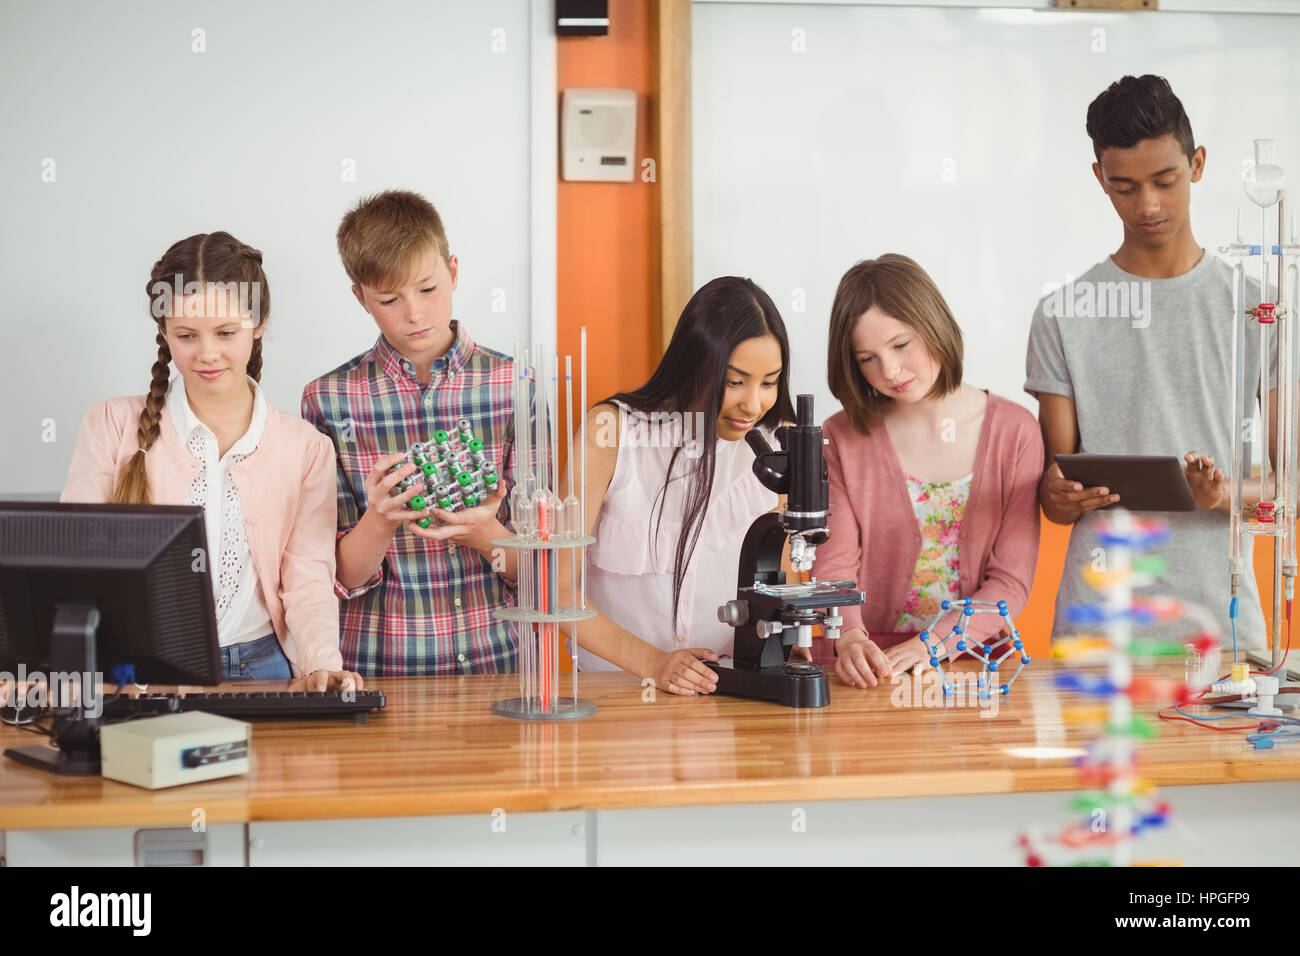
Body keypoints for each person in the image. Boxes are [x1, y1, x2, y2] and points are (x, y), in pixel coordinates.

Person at [1026, 75, 1274, 650]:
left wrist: (1222, 495)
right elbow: (1056, 489)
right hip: (1099, 628)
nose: (1149, 205)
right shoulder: (1063, 313)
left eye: (1165, 180)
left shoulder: (1259, 309)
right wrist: (1056, 495)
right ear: (1100, 180)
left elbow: (1288, 483)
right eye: (1125, 187)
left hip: (1224, 628)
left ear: (1198, 163)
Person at [62, 232, 361, 689]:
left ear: (259, 323)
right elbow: (75, 561)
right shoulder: (111, 424)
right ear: (163, 331)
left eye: (226, 333)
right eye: (186, 335)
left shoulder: (305, 447)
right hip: (139, 670)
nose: (207, 354)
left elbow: (307, 574)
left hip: (262, 668)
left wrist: (322, 661)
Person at [301, 190, 519, 675]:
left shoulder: (515, 385)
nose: (414, 314)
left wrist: (486, 534)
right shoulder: (328, 400)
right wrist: (378, 520)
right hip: (377, 667)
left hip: (497, 664)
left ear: (454, 271)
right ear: (360, 297)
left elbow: (545, 570)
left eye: (427, 288)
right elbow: (331, 573)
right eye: (389, 299)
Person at [813, 254, 1042, 688]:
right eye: (867, 359)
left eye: (901, 345)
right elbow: (833, 565)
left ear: (933, 323)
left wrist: (934, 644)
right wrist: (849, 638)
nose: (890, 371)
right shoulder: (841, 436)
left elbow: (1011, 581)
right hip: (864, 667)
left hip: (976, 662)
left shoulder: (1015, 433)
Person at [562, 276, 799, 696]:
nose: (753, 404)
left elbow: (787, 578)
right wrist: (653, 664)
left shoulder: (777, 442)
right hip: (616, 696)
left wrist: (792, 645)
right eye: (734, 381)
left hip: (729, 698)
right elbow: (557, 588)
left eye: (769, 382)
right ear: (695, 362)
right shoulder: (612, 432)